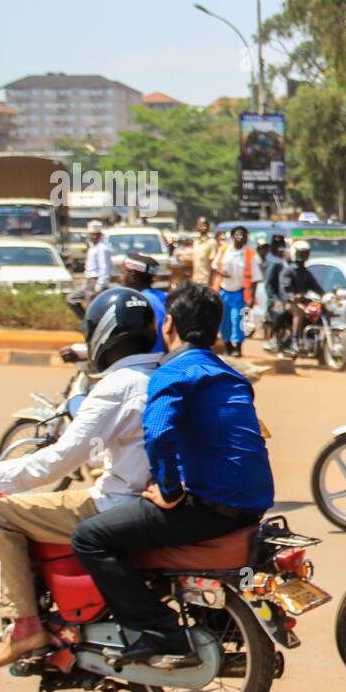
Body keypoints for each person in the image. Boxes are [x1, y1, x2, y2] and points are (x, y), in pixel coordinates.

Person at [0, 288, 160, 670]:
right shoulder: (158, 374)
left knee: (1, 515)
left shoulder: (116, 387)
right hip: (147, 500)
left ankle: (25, 626)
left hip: (113, 503)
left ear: (104, 334)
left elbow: (57, 461)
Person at [71, 283, 275, 667]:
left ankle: (159, 631)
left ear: (170, 326)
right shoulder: (228, 375)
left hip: (209, 505)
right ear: (216, 331)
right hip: (252, 504)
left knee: (90, 537)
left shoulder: (173, 372)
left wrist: (168, 490)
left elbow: (160, 431)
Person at [214, 226, 261, 356]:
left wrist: (252, 296)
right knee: (224, 320)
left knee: (238, 319)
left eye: (243, 235)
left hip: (240, 293)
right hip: (223, 291)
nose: (240, 238)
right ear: (233, 236)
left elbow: (256, 278)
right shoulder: (224, 250)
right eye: (237, 235)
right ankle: (227, 345)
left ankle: (238, 347)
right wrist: (221, 272)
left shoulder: (250, 254)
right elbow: (215, 266)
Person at [277, 240, 324, 355]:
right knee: (298, 312)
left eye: (306, 253)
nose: (304, 256)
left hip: (304, 301)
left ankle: (316, 341)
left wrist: (325, 295)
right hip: (289, 302)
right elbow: (284, 289)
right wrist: (292, 297)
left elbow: (316, 287)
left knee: (320, 310)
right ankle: (295, 340)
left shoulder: (306, 272)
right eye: (301, 253)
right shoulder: (288, 271)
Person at [121, 254, 166, 353]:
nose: (122, 277)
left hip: (148, 359)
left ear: (132, 276)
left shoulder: (134, 302)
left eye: (124, 273)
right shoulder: (167, 297)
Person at [67, 221, 112, 319]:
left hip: (95, 281)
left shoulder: (102, 248)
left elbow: (104, 269)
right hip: (89, 281)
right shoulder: (93, 247)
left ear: (100, 235)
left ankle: (89, 326)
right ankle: (85, 322)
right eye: (92, 234)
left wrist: (99, 287)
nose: (94, 237)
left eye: (96, 234)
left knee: (92, 310)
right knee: (72, 299)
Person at [190, 217, 218, 286]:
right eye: (200, 225)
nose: (203, 227)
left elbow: (214, 264)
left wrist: (211, 282)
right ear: (197, 226)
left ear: (208, 227)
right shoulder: (196, 242)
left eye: (205, 225)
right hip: (195, 281)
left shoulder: (212, 242)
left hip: (206, 282)